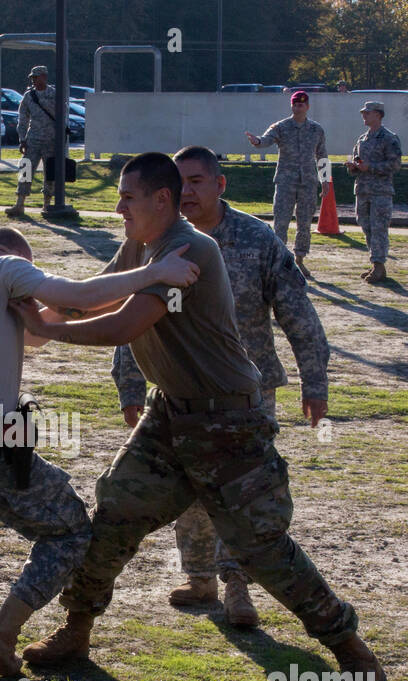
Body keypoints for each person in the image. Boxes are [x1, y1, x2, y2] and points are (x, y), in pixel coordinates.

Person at [10, 152, 386, 681]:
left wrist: (47, 326)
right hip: (171, 412)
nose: (118, 207)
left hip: (227, 421)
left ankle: (349, 648)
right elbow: (98, 296)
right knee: (115, 512)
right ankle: (77, 628)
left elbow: (125, 323)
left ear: (160, 201)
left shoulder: (190, 250)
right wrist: (36, 309)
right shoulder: (143, 247)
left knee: (261, 546)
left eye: (127, 197)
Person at [0, 227, 200, 677]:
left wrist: (103, 285)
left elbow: (44, 330)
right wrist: (157, 272)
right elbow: (77, 295)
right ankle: (0, 635)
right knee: (69, 533)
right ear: (13, 259)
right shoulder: (4, 269)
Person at [110, 146, 330, 627]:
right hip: (176, 393)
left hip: (244, 394)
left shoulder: (257, 240)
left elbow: (298, 314)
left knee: (239, 494)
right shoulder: (152, 241)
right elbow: (129, 314)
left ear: (219, 185)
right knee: (187, 491)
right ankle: (200, 577)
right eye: (180, 183)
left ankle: (237, 586)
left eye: (197, 182)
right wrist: (128, 386)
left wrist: (315, 380)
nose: (187, 192)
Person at [245, 91, 328, 277]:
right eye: (295, 104)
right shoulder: (281, 127)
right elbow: (266, 139)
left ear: (307, 107)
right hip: (286, 182)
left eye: (302, 104)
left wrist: (325, 180)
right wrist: (257, 141)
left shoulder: (316, 130)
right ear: (291, 106)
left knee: (304, 223)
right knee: (281, 223)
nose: (298, 107)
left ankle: (299, 260)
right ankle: (280, 261)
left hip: (307, 183)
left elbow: (322, 155)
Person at [347, 101, 402, 284]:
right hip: (362, 190)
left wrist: (370, 167)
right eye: (363, 112)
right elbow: (359, 161)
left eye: (367, 113)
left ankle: (379, 265)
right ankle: (376, 264)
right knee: (366, 226)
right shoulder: (362, 139)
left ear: (378, 115)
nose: (364, 115)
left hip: (381, 191)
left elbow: (394, 165)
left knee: (379, 228)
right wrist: (354, 167)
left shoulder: (389, 138)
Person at [7, 65, 64, 218]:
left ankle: (47, 204)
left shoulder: (55, 95)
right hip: (33, 139)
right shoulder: (29, 96)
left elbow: (63, 117)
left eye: (36, 77)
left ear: (44, 77)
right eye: (32, 77)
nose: (34, 80)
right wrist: (22, 139)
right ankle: (20, 203)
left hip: (51, 140)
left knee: (50, 173)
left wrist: (61, 140)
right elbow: (23, 118)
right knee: (25, 169)